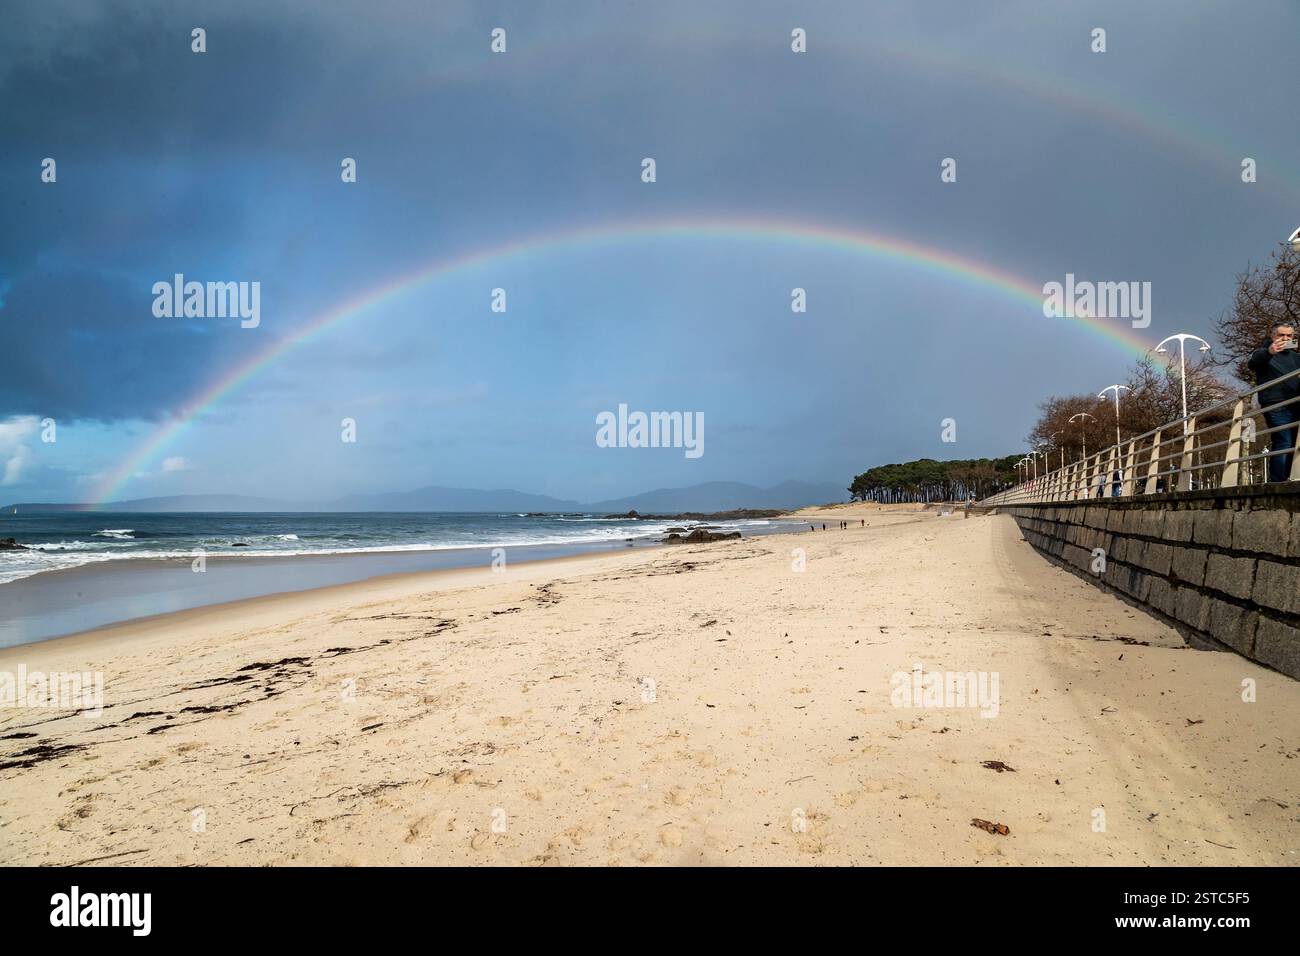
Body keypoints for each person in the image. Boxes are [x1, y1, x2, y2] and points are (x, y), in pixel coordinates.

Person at [1248, 322, 1300, 483]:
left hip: (1295, 402)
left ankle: (1291, 475)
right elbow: (1253, 363)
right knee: (1283, 439)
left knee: (1295, 440)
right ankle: (1278, 480)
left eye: (1289, 336)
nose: (1285, 338)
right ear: (1273, 336)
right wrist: (1269, 352)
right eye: (1281, 335)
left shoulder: (1296, 357)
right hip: (1275, 403)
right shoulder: (1263, 353)